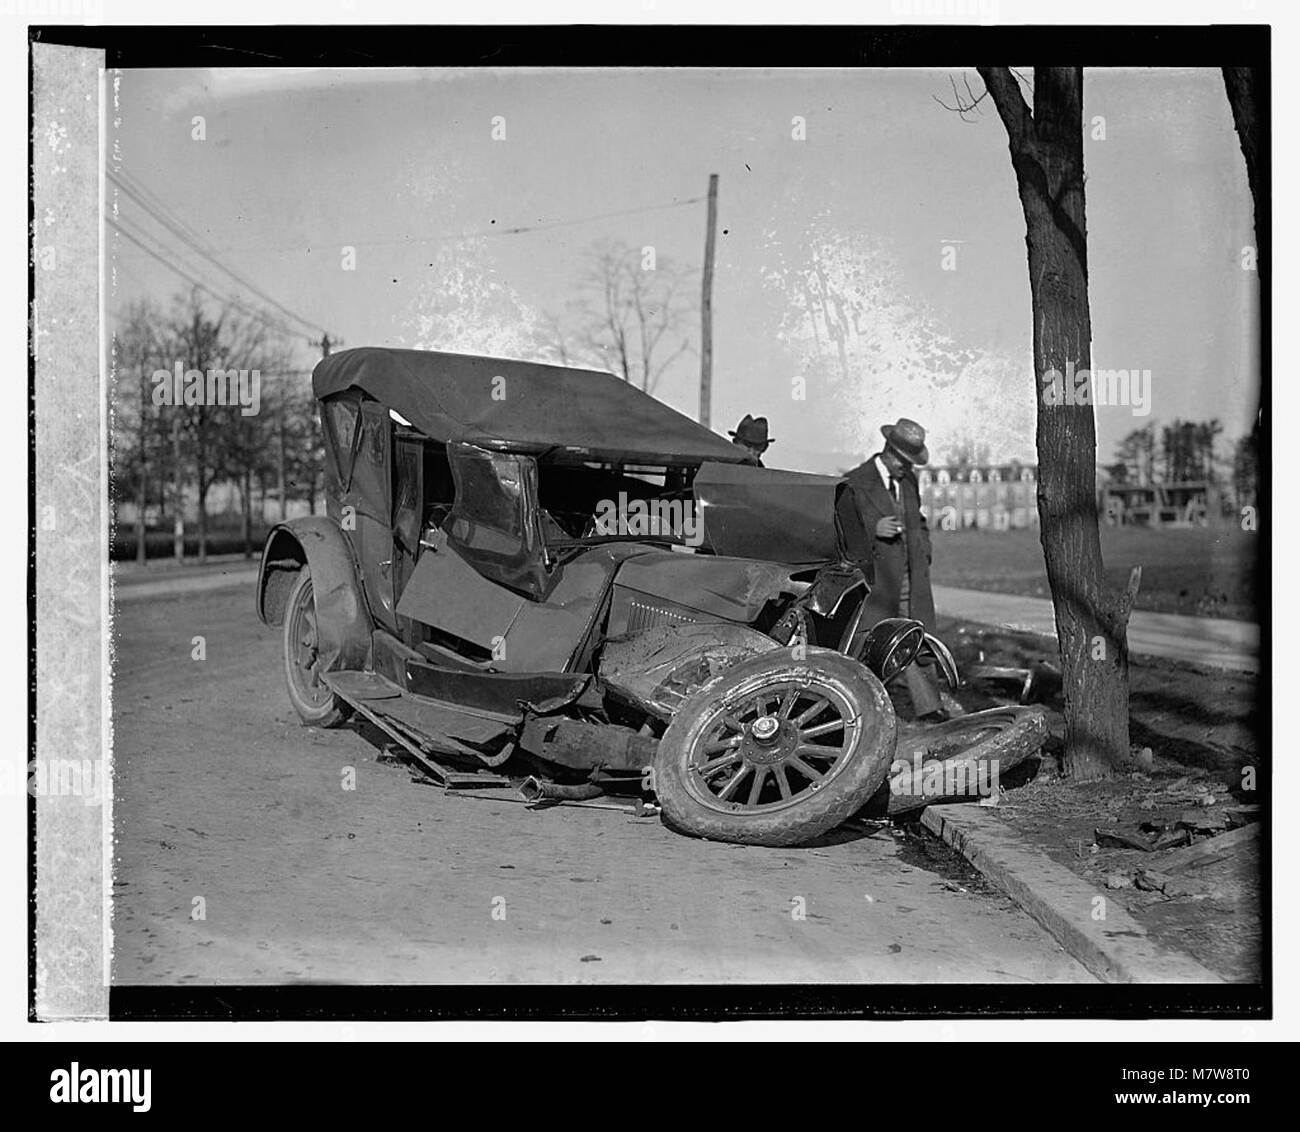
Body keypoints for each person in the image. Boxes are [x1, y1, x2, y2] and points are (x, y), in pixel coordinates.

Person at [843, 417, 952, 721]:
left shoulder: (908, 481)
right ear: (889, 452)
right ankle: (866, 708)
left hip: (912, 578)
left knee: (918, 637)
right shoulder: (855, 482)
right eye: (904, 462)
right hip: (879, 584)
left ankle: (930, 708)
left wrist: (924, 550)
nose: (908, 469)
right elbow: (841, 532)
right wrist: (873, 528)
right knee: (877, 642)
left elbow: (918, 520)